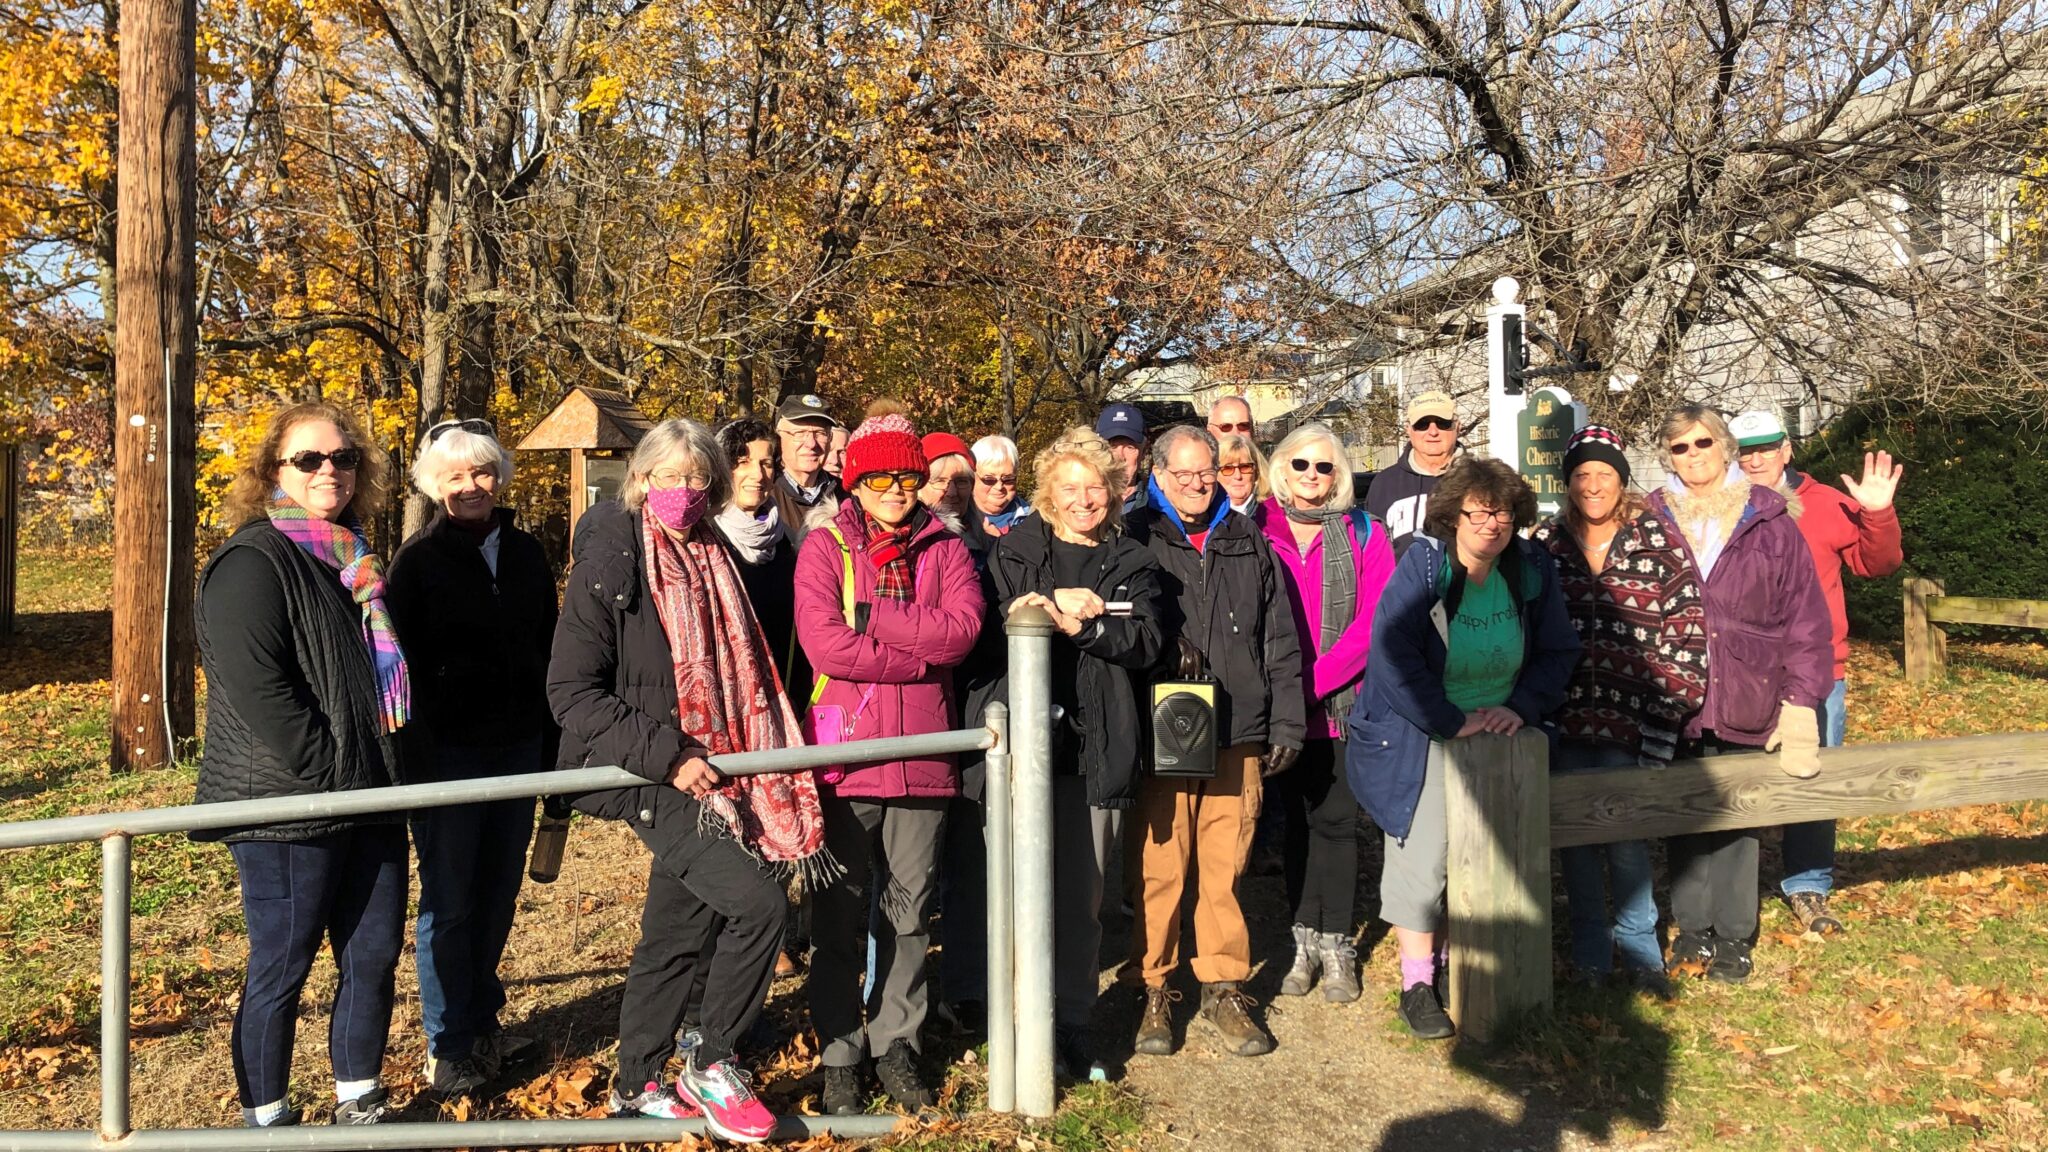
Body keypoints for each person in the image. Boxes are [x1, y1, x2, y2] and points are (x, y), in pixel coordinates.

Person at [549, 418, 822, 1141]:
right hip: (652, 772)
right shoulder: (613, 555)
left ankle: (636, 1079)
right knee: (760, 903)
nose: (682, 491)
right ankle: (714, 1060)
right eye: (667, 476)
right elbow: (572, 691)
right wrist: (668, 755)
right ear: (641, 480)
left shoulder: (713, 553)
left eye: (697, 477)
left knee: (677, 929)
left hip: (718, 767)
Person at [193, 401, 412, 1127]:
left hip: (368, 795)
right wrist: (329, 772)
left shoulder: (351, 562)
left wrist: (374, 778)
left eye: (344, 458)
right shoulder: (252, 560)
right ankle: (267, 1115)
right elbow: (262, 690)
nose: (330, 471)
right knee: (283, 967)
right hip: (288, 803)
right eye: (309, 459)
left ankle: (359, 1096)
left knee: (372, 953)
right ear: (271, 472)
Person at [1347, 457, 1581, 1040]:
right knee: (1423, 863)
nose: (1489, 523)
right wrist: (1448, 719)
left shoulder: (1530, 569)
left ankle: (1461, 966)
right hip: (1423, 733)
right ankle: (1417, 984)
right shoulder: (1423, 565)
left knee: (1485, 857)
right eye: (1476, 511)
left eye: (1501, 511)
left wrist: (1521, 707)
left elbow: (1558, 650)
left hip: (1499, 730)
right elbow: (1391, 650)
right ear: (1453, 516)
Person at [794, 402, 986, 1114]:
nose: (897, 491)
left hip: (923, 758)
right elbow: (825, 645)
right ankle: (840, 1052)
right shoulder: (826, 548)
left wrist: (875, 621)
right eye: (879, 480)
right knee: (837, 916)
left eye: (906, 477)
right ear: (856, 484)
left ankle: (896, 1043)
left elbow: (962, 632)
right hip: (845, 754)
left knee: (908, 915)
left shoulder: (948, 545)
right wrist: (916, 659)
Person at [969, 427, 1167, 1080]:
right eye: (1070, 488)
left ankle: (1075, 1021)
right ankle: (1024, 1025)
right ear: (1048, 495)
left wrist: (1093, 627)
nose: (1084, 499)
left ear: (1114, 492)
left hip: (1096, 750)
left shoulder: (1133, 561)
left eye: (1096, 488)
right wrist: (1049, 606)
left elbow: (1146, 643)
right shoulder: (1019, 550)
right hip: (1025, 749)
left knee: (1081, 898)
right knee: (1019, 892)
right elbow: (993, 623)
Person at [386, 419, 558, 1095]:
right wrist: (419, 755)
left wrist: (551, 746)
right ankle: (448, 1042)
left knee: (497, 893)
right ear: (434, 486)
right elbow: (401, 670)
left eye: (482, 472)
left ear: (499, 478)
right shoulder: (416, 563)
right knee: (450, 902)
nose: (470, 486)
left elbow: (548, 646)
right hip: (448, 757)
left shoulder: (526, 553)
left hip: (518, 748)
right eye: (455, 476)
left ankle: (484, 1024)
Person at [1123, 425, 1305, 1058]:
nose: (1199, 484)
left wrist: (1287, 722)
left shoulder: (1246, 537)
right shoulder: (1136, 535)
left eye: (1208, 472)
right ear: (1160, 475)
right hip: (1166, 728)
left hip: (1238, 729)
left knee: (1225, 868)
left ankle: (1224, 986)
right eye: (1185, 474)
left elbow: (1279, 638)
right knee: (1161, 868)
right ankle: (1156, 989)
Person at [1646, 405, 1832, 983]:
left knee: (1737, 819)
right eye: (1679, 447)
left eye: (1702, 443)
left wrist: (1801, 700)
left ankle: (1734, 936)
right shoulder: (1653, 517)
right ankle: (1693, 929)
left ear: (1724, 446)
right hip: (1678, 692)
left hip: (1750, 687)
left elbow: (1805, 619)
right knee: (1686, 816)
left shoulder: (1768, 519)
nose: (1693, 455)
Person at [1530, 426, 1707, 997]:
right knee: (1577, 842)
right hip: (1564, 719)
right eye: (1581, 475)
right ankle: (1590, 953)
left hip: (1634, 723)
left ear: (1622, 481)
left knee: (1628, 842)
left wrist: (1667, 718)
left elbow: (1688, 634)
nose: (1592, 485)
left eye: (1603, 474)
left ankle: (1640, 951)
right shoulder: (1547, 548)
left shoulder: (1657, 541)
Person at [1731, 409, 1904, 935]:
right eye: (1745, 449)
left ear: (1787, 449)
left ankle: (1808, 884)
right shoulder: (1717, 506)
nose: (1755, 458)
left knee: (1812, 777)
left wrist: (1877, 515)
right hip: (1741, 671)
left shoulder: (1827, 503)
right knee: (1736, 778)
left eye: (1765, 447)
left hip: (1820, 669)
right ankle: (1729, 893)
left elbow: (1878, 564)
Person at [1258, 424, 1396, 1004]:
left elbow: (1374, 622)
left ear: (1338, 476)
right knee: (1293, 824)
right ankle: (1302, 938)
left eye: (1324, 467)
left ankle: (1337, 942)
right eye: (1301, 465)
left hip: (1339, 705)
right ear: (1281, 469)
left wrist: (1309, 684)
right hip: (1277, 710)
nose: (1312, 477)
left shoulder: (1366, 533)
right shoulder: (1252, 530)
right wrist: (1283, 691)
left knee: (1336, 823)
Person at [713, 417, 810, 696]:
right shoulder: (707, 541)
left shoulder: (786, 544)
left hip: (785, 691)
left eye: (766, 463)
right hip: (730, 693)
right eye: (743, 462)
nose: (757, 475)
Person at [1365, 390, 1461, 556]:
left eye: (1442, 423)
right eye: (1422, 424)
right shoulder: (1385, 483)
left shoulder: (1480, 479)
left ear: (1457, 427)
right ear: (1408, 429)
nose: (1433, 432)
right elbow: (1372, 553)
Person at [770, 392, 845, 546]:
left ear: (830, 439)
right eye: (800, 433)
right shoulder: (764, 495)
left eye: (820, 433)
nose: (811, 443)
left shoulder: (846, 497)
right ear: (778, 438)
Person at [970, 434, 1031, 539]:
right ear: (971, 477)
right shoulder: (957, 519)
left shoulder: (1032, 519)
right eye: (989, 480)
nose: (999, 486)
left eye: (1008, 479)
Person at [1096, 402, 1150, 516]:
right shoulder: (1082, 502)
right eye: (1112, 447)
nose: (1120, 457)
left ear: (1144, 451)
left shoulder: (1158, 503)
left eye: (1130, 447)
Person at [1217, 432, 1269, 517]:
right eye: (1228, 469)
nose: (1238, 476)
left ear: (1257, 471)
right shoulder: (1205, 515)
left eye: (1245, 467)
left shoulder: (1272, 513)